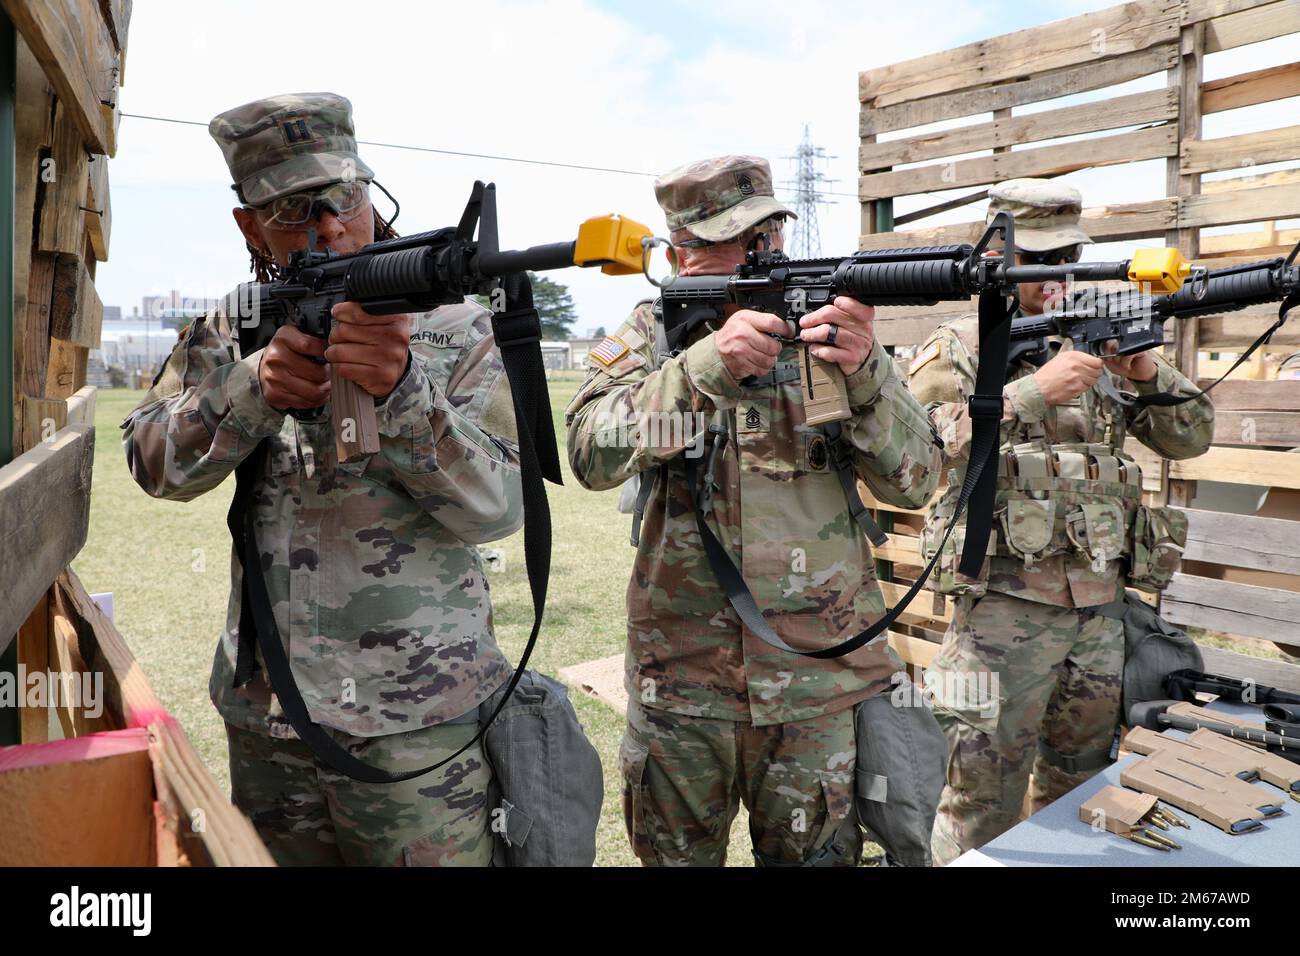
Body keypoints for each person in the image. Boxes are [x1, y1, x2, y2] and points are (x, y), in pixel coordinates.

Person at [122, 92, 522, 866]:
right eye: (292, 210)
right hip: (268, 714)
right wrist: (251, 391)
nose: (331, 226)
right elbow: (149, 464)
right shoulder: (238, 325)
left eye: (345, 198)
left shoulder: (455, 325)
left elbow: (502, 508)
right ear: (249, 226)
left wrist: (406, 395)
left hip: (415, 717)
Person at [565, 155, 943, 866]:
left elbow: (918, 481)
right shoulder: (652, 332)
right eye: (729, 243)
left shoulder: (831, 335)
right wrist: (702, 369)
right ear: (678, 255)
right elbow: (589, 453)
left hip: (819, 685)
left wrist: (865, 374)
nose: (756, 255)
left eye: (765, 236)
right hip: (684, 685)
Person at [908, 178, 1215, 866]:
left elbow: (1191, 437)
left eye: (1068, 256)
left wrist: (1141, 371)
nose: (1058, 276)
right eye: (1040, 260)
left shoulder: (1100, 345)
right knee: (980, 799)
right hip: (1001, 618)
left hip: (1097, 616)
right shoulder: (959, 347)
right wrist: (1022, 396)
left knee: (1081, 790)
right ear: (998, 260)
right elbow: (911, 456)